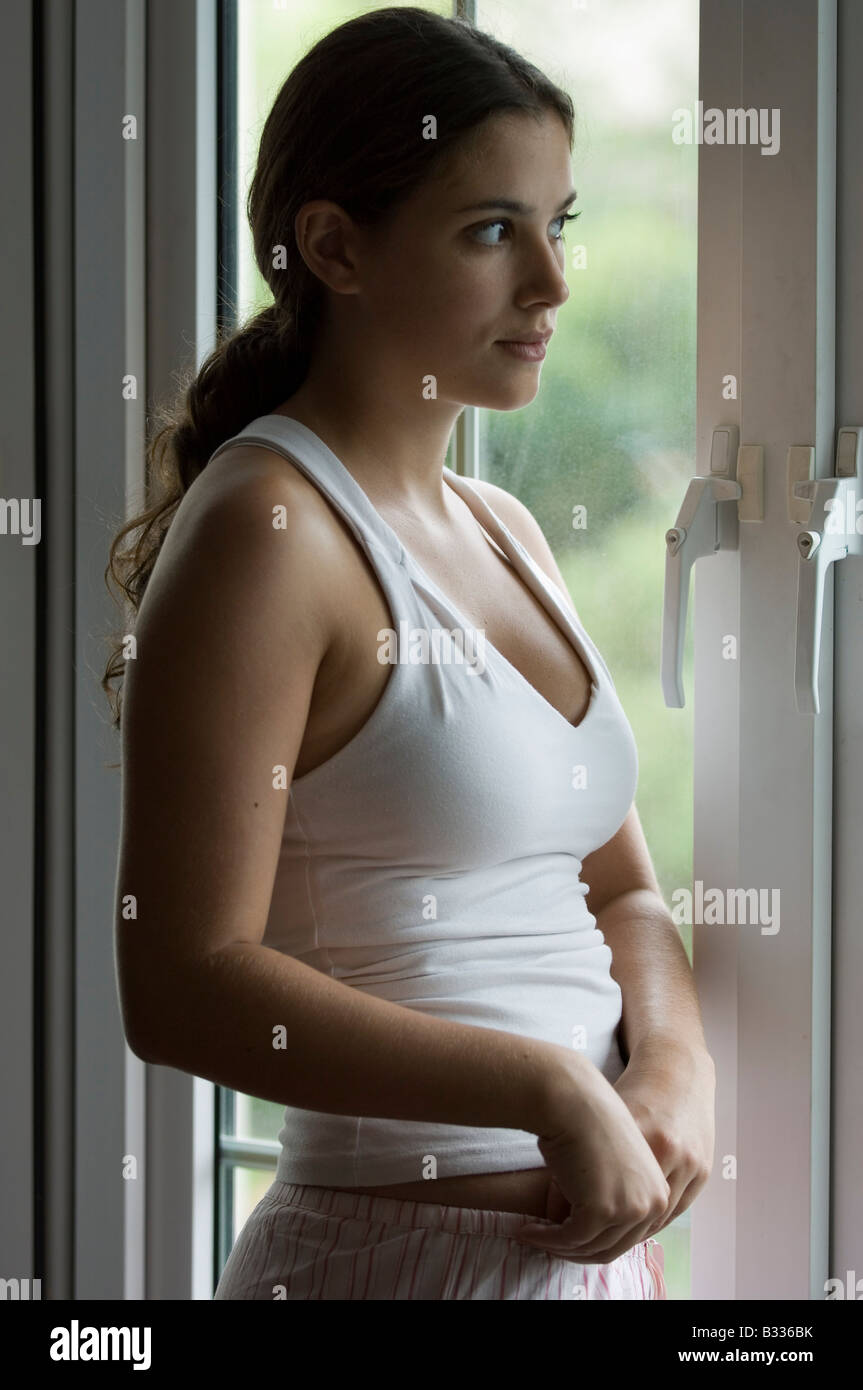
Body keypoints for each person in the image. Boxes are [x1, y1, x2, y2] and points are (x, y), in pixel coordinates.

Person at [104, 6, 715, 1300]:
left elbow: (626, 892)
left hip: (588, 1268)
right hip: (394, 1265)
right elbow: (181, 984)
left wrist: (668, 1070)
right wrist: (546, 1085)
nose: (551, 281)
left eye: (563, 223)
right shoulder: (267, 532)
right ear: (336, 246)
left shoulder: (502, 528)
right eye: (494, 229)